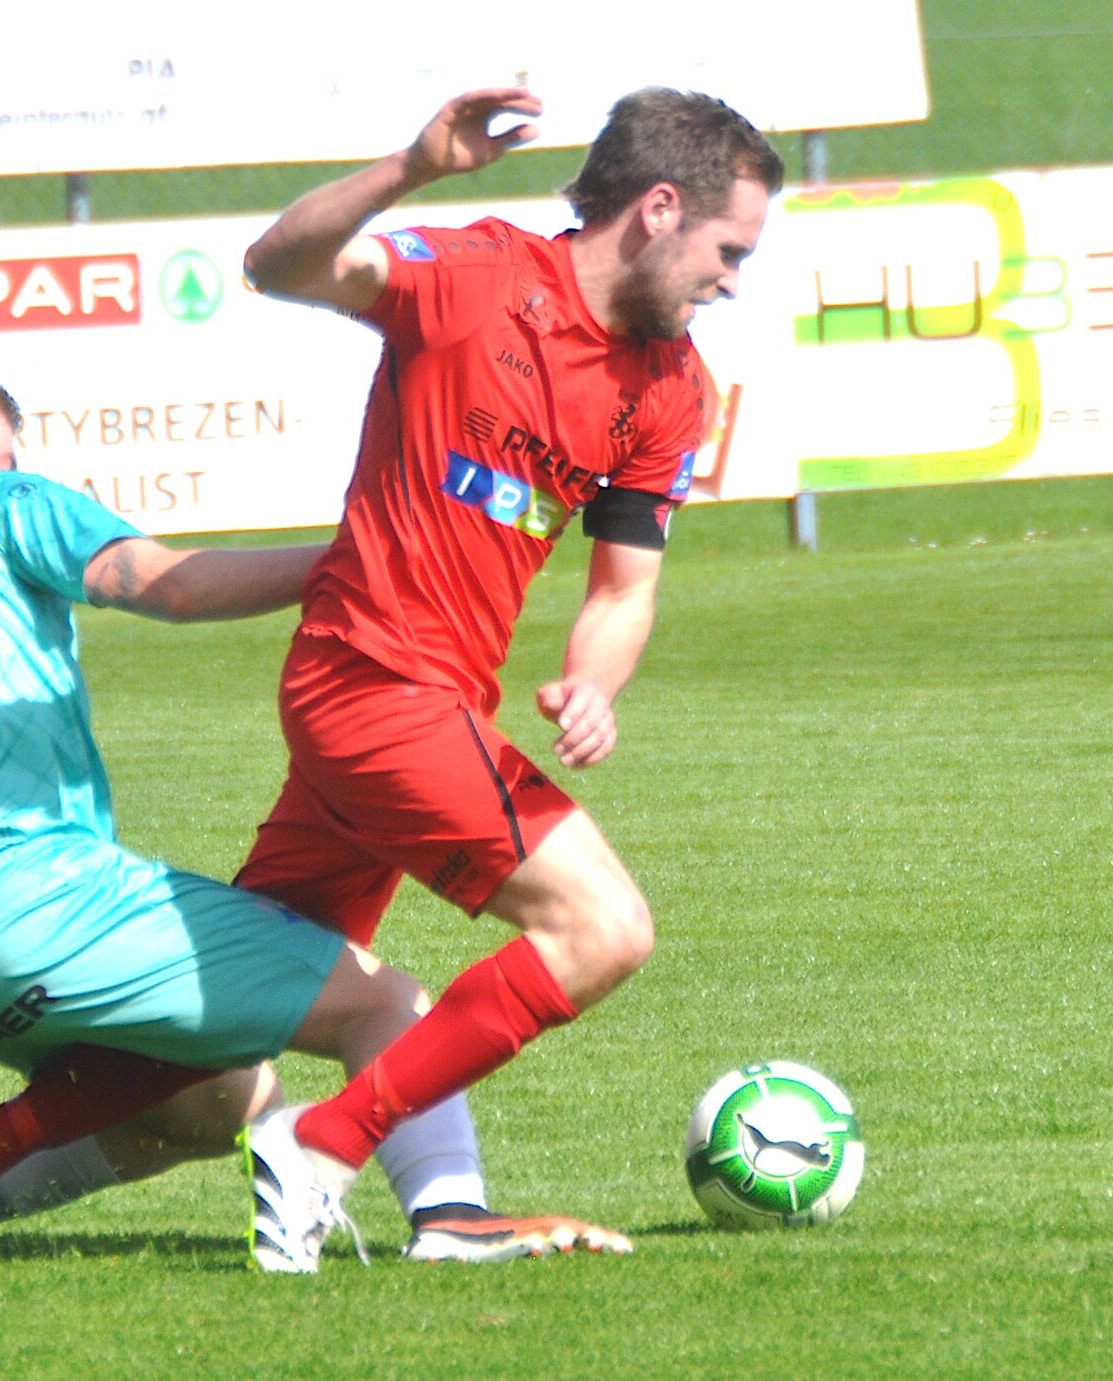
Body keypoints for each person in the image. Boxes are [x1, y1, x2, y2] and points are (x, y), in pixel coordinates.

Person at [222, 84, 785, 1271]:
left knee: (212, 1055)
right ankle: (321, 1148)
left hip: (412, 719)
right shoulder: (475, 276)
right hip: (374, 689)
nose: (734, 278)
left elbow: (621, 590)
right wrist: (410, 165)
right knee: (602, 926)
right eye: (729, 249)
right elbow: (274, 264)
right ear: (659, 208)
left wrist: (594, 682)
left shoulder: (670, 387)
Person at [0, 364, 427, 1264]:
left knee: (224, 1095)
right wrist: (363, 564)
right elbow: (164, 583)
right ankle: (453, 1221)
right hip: (33, 900)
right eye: (6, 454)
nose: (19, 468)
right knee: (384, 1001)